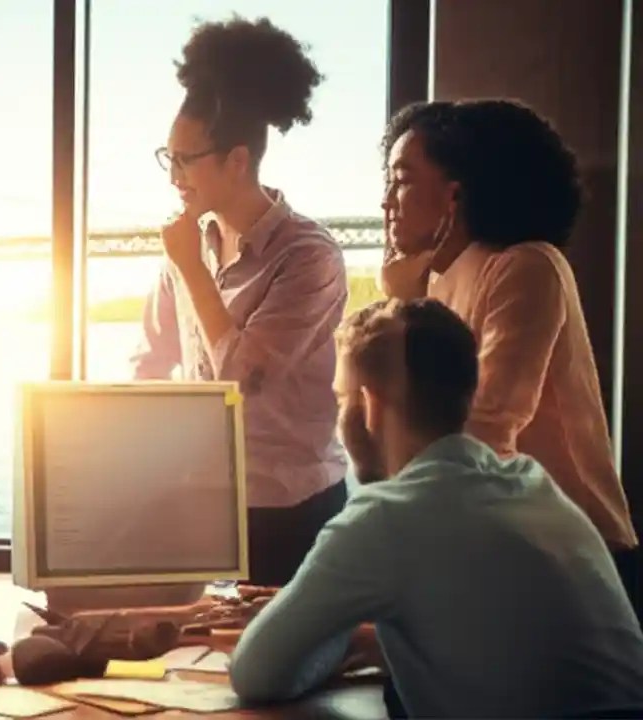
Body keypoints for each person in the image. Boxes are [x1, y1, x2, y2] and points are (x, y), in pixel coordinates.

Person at [227, 298, 643, 718]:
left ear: (368, 405)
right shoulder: (532, 484)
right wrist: (361, 639)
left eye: (341, 398)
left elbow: (255, 673)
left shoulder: (385, 516)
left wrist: (324, 635)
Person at [379, 99, 639, 614]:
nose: (386, 202)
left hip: (575, 552)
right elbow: (398, 417)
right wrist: (401, 301)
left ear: (455, 196)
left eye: (402, 181)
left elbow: (487, 426)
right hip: (497, 542)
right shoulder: (434, 283)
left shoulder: (528, 266)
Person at [131, 16, 349, 586]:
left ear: (236, 160)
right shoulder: (187, 243)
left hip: (291, 511)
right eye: (168, 157)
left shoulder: (309, 257)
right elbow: (151, 361)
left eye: (185, 159)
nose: (173, 176)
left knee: (276, 673)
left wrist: (192, 272)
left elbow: (242, 380)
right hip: (199, 501)